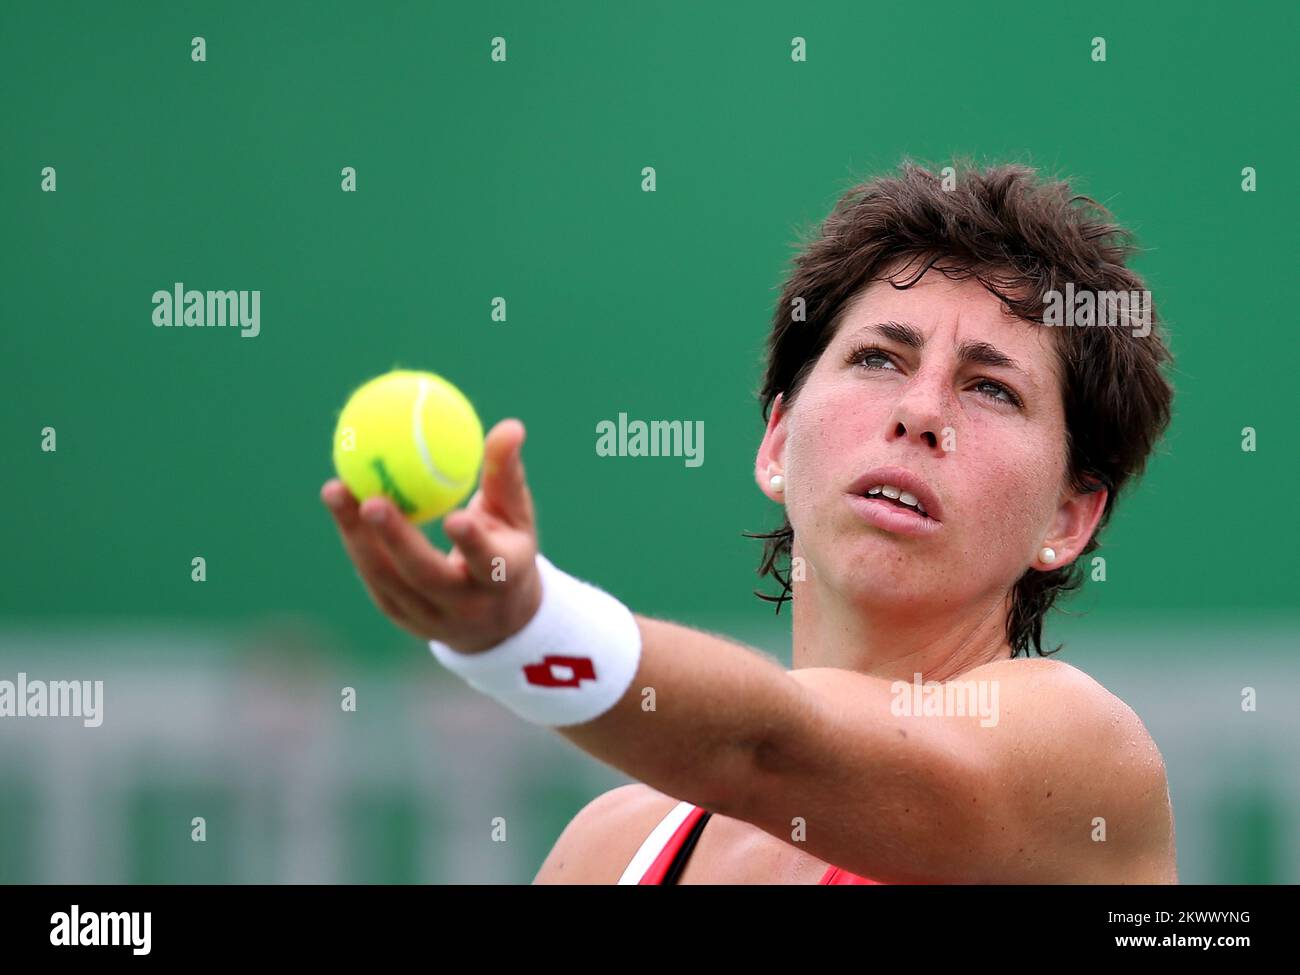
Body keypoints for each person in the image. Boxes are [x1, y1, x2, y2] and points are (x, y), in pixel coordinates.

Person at [321, 161, 1178, 884]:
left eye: (991, 388)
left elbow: (770, 746)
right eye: (879, 357)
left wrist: (528, 632)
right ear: (777, 441)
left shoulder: (1087, 763)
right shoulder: (607, 853)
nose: (921, 412)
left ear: (1068, 517)